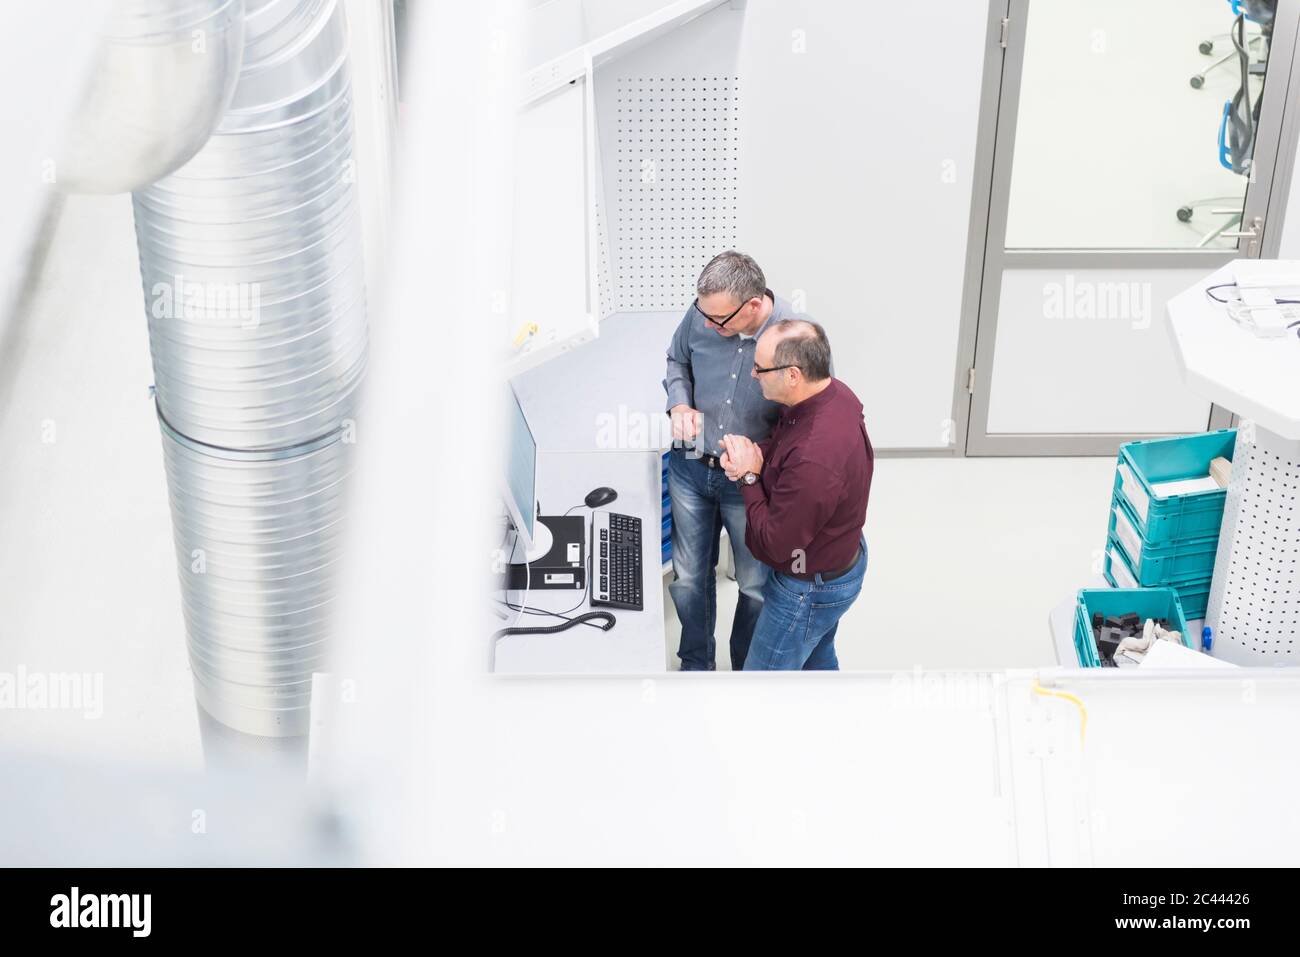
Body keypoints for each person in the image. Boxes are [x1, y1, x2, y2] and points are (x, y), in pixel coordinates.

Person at [662, 251, 810, 671]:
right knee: (689, 578)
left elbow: (809, 418)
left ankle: (745, 669)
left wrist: (761, 463)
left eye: (718, 321)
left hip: (748, 482)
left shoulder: (796, 338)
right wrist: (679, 404)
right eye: (702, 314)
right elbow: (677, 360)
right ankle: (696, 664)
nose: (708, 325)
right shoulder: (703, 314)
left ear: (753, 306)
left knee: (755, 585)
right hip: (691, 465)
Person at [719, 319, 873, 671]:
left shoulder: (815, 458)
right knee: (816, 658)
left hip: (808, 588)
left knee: (764, 686)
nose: (753, 374)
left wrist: (747, 477)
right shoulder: (832, 394)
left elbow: (776, 545)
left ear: (792, 375)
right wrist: (755, 455)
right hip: (837, 563)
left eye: (759, 368)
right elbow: (788, 445)